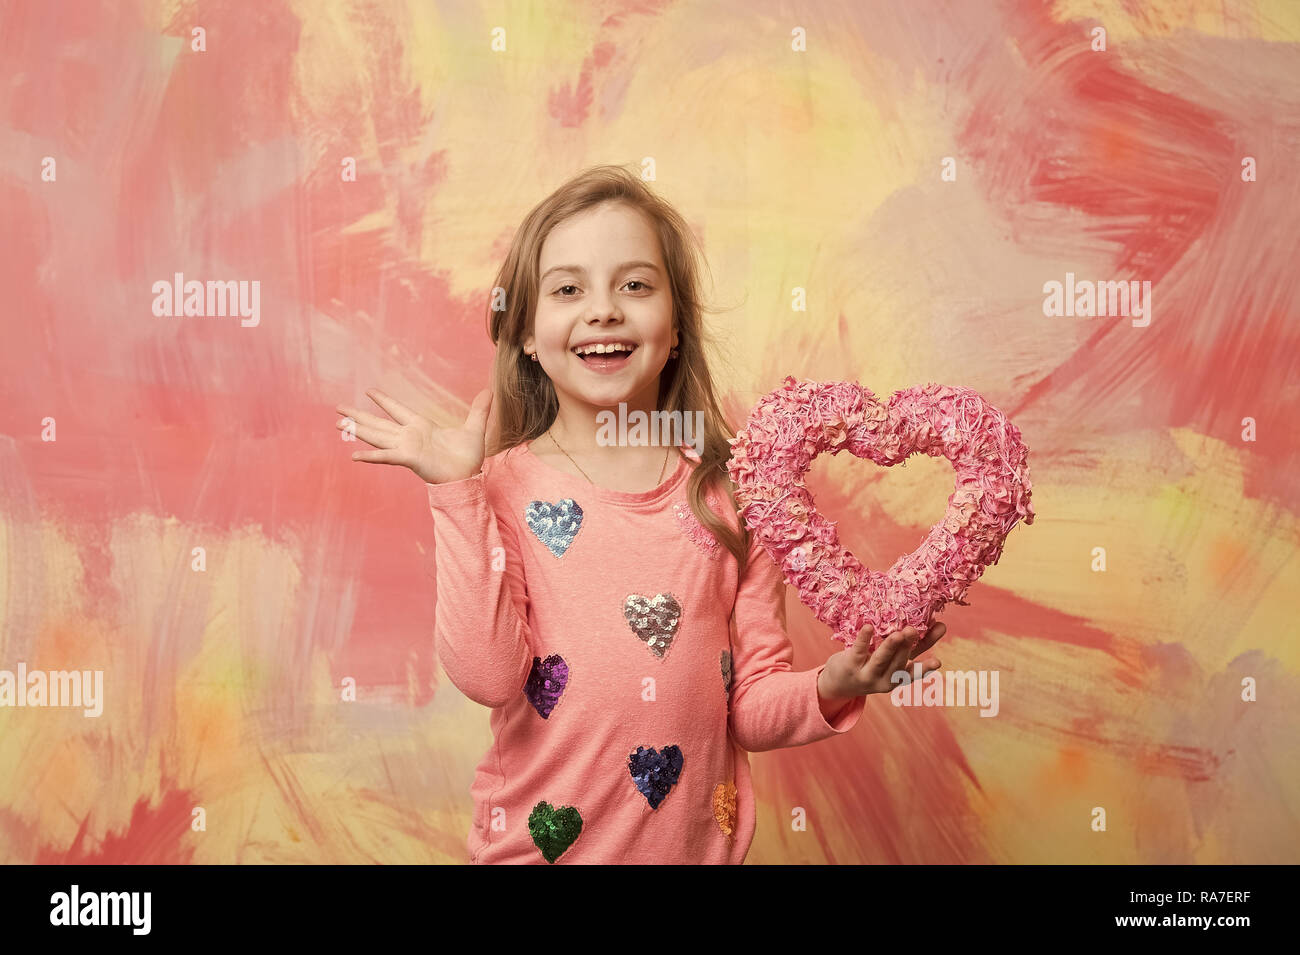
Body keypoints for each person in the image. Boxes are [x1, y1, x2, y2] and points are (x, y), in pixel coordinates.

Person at [334, 163, 945, 863]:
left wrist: (832, 685)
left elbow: (745, 703)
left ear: (676, 326)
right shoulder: (496, 490)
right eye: (568, 289)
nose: (604, 309)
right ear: (528, 334)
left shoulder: (735, 498)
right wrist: (454, 491)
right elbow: (487, 675)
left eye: (635, 285)